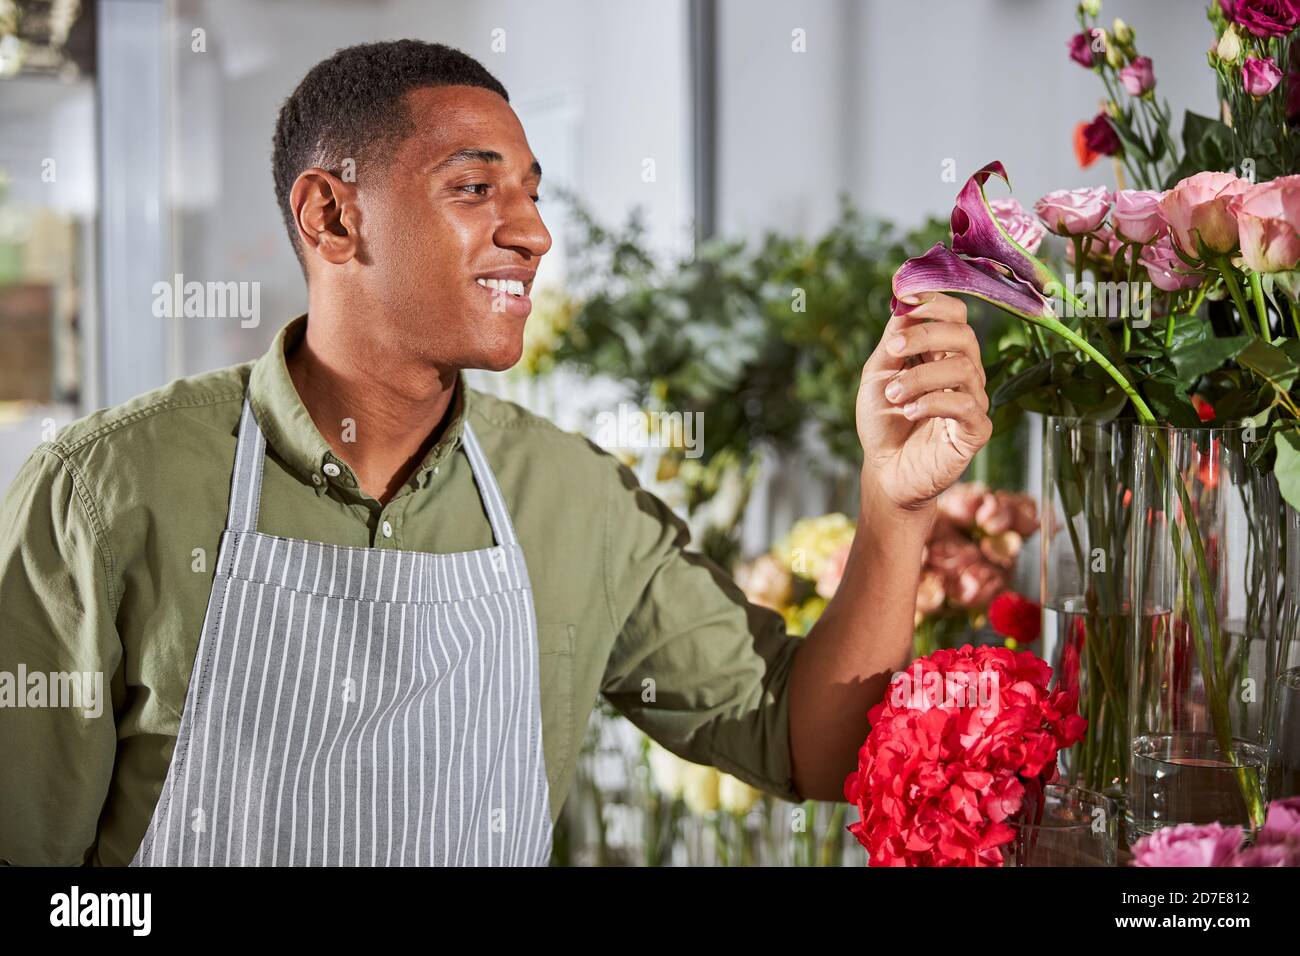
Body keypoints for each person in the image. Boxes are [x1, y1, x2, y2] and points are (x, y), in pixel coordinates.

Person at [0, 40, 991, 866]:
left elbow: (801, 744)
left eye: (530, 193)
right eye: (474, 187)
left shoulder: (575, 500)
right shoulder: (105, 491)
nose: (533, 232)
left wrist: (890, 503)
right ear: (332, 215)